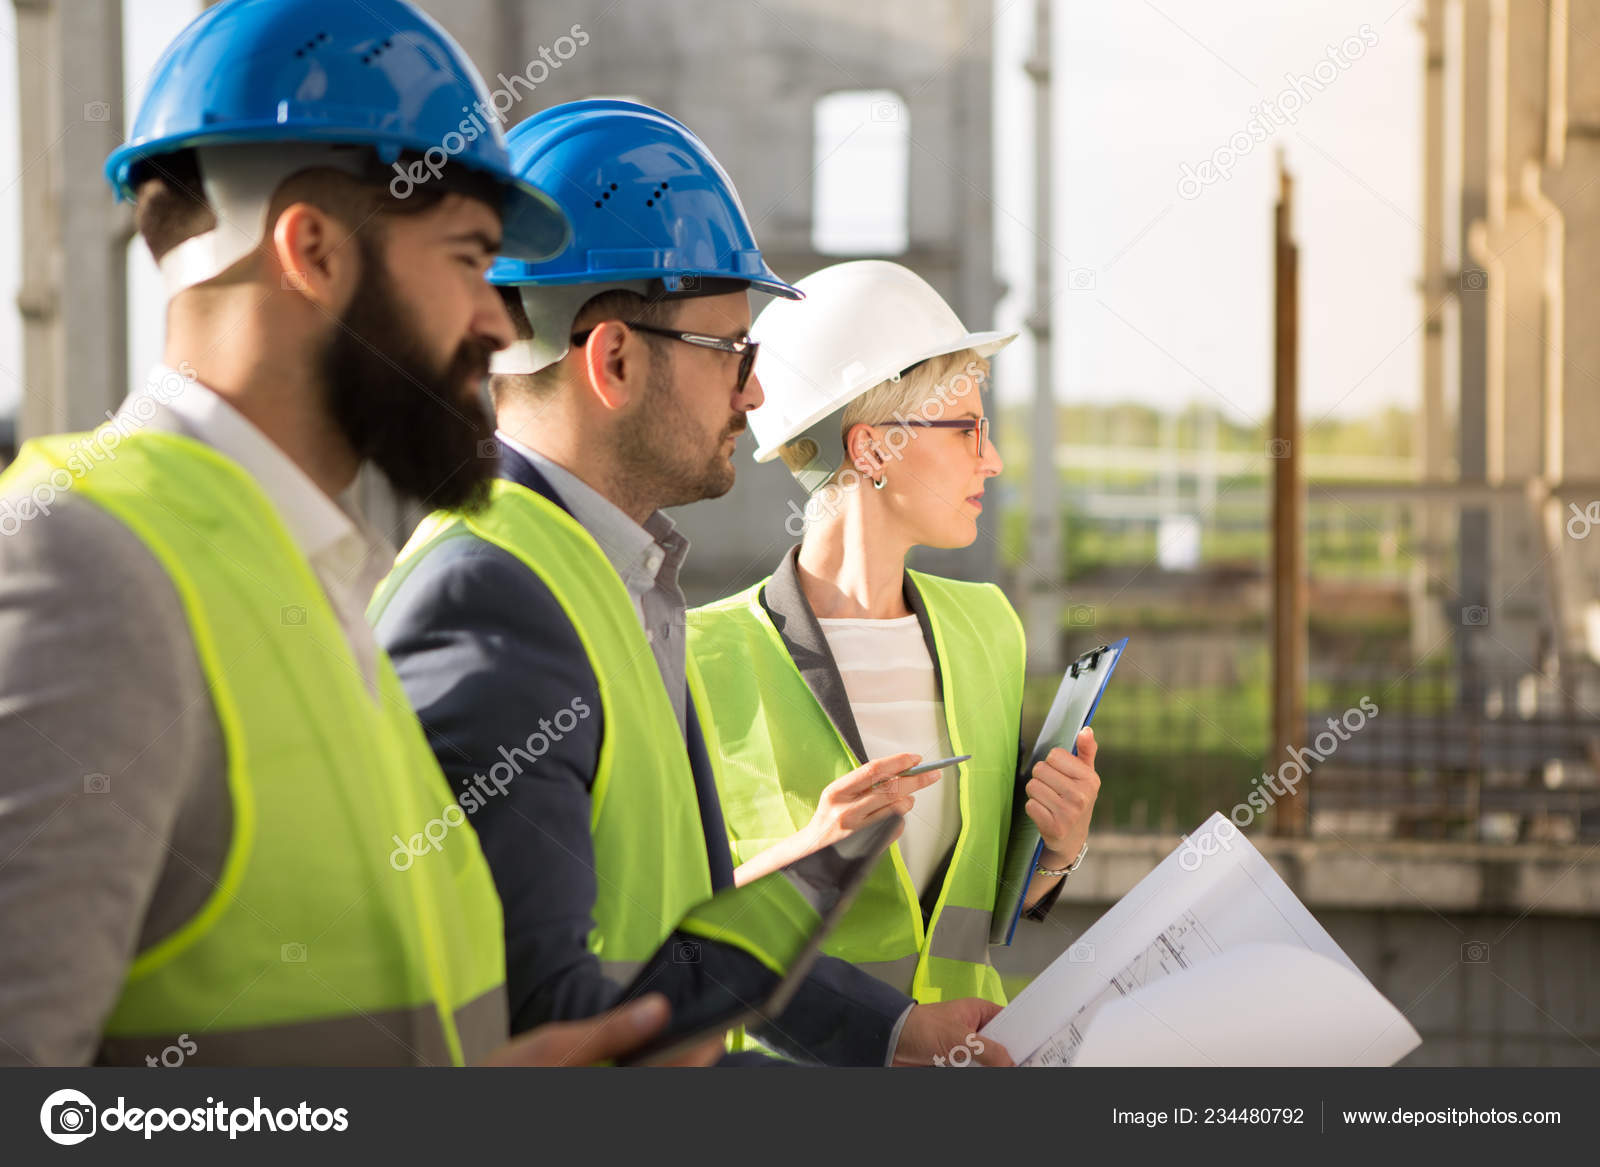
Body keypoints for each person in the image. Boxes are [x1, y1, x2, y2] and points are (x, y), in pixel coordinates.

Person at [0, 0, 710, 1068]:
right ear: (314, 250)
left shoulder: (306, 578)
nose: (495, 322)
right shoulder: (82, 569)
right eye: (469, 259)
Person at [370, 101, 1009, 1066]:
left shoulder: (627, 583)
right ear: (615, 358)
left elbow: (683, 939)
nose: (755, 395)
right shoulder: (487, 597)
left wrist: (894, 1034)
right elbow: (547, 1032)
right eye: (735, 354)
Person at [688, 260, 1103, 1006]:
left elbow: (977, 898)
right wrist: (807, 853)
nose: (995, 459)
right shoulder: (698, 657)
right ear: (872, 448)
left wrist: (1059, 850)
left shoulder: (987, 628)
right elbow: (664, 927)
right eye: (969, 429)